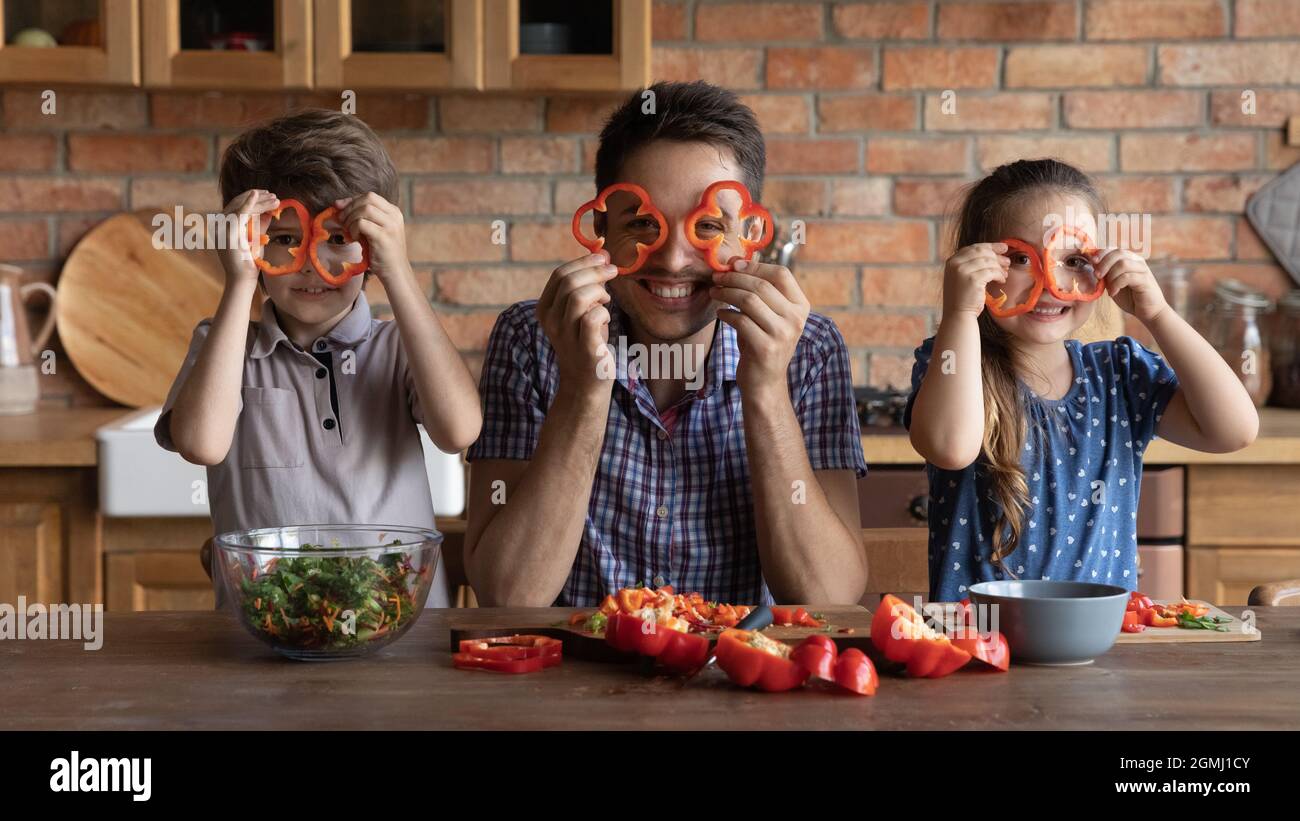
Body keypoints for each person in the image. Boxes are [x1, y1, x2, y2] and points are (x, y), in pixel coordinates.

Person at [465, 81, 868, 607]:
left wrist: (766, 388)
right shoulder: (532, 338)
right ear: (600, 229)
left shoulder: (809, 350)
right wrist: (586, 389)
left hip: (744, 678)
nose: (675, 260)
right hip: (572, 682)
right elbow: (508, 595)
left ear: (749, 234)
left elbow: (827, 597)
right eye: (642, 224)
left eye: (706, 226)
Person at [156, 109, 481, 607]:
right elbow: (202, 443)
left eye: (337, 239)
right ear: (250, 244)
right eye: (283, 239)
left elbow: (458, 430)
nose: (312, 264)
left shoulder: (397, 347)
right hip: (266, 633)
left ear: (371, 248)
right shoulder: (224, 345)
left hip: (398, 636)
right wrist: (240, 280)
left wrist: (400, 273)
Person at [906, 158, 1258, 601]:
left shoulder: (1120, 371)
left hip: (1099, 647)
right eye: (1019, 259)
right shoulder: (953, 365)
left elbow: (1235, 430)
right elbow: (950, 447)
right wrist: (959, 313)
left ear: (1100, 270)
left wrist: (1158, 314)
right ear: (977, 266)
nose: (1051, 282)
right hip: (978, 646)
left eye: (1073, 260)